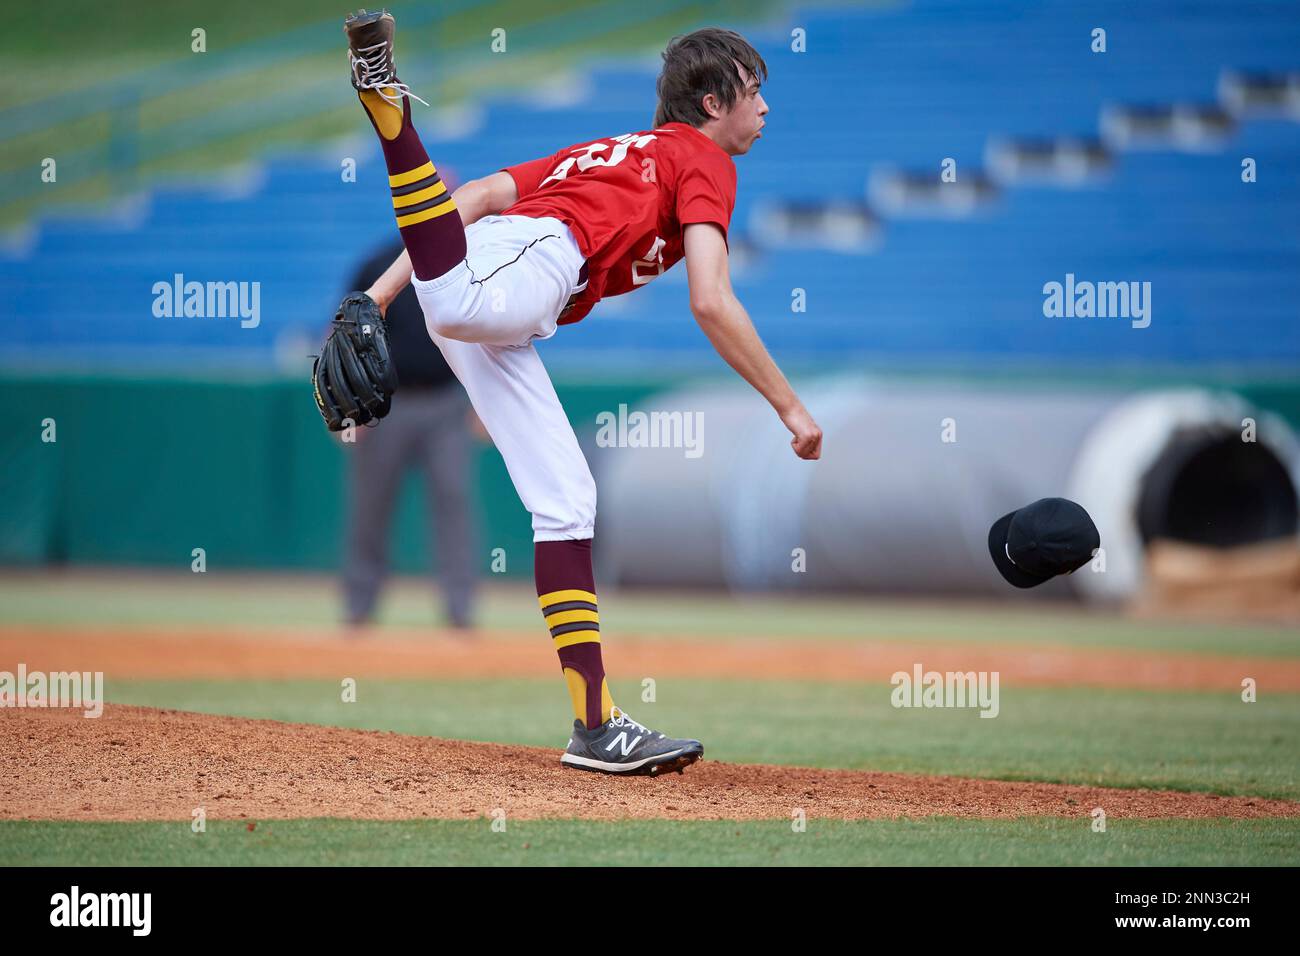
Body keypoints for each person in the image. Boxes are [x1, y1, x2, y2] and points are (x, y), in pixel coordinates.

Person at [342, 10, 822, 775]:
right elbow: (711, 298)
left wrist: (379, 295)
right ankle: (389, 108)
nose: (763, 107)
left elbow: (473, 199)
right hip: (530, 261)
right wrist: (789, 407)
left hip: (498, 281)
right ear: (710, 104)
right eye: (752, 90)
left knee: (567, 500)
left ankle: (594, 726)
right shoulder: (703, 158)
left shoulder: (607, 150)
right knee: (461, 300)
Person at [341, 239, 479, 632]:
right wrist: (352, 405)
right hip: (385, 404)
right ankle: (359, 607)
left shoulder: (468, 263)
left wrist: (484, 403)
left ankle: (460, 610)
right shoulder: (377, 263)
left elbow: (490, 333)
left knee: (454, 503)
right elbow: (348, 334)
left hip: (446, 402)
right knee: (370, 506)